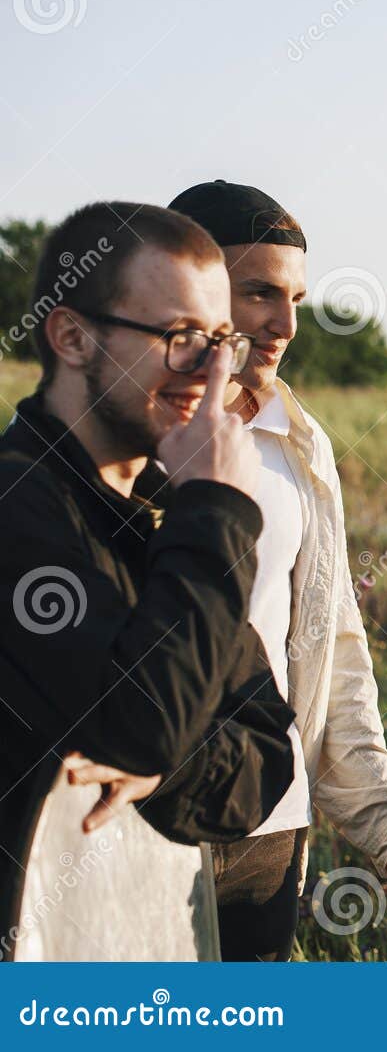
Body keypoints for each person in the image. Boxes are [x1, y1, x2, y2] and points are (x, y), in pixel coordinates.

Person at [0, 201, 296, 944]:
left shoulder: (155, 523)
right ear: (71, 336)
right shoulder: (18, 508)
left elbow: (266, 752)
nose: (213, 370)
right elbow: (144, 725)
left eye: (222, 339)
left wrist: (170, 764)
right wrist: (216, 506)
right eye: (182, 337)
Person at [167, 181, 387, 960]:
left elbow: (335, 652)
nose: (286, 323)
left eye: (297, 296)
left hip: (270, 840)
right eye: (260, 292)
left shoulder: (300, 443)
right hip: (139, 840)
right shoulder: (105, 442)